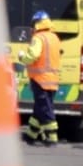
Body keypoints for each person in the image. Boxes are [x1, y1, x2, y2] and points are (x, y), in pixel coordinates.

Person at [18, 10, 61, 146]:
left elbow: (33, 56)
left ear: (37, 23)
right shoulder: (54, 37)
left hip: (40, 80)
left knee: (45, 109)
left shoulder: (39, 38)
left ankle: (52, 137)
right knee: (39, 108)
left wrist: (22, 57)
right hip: (52, 80)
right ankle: (31, 134)